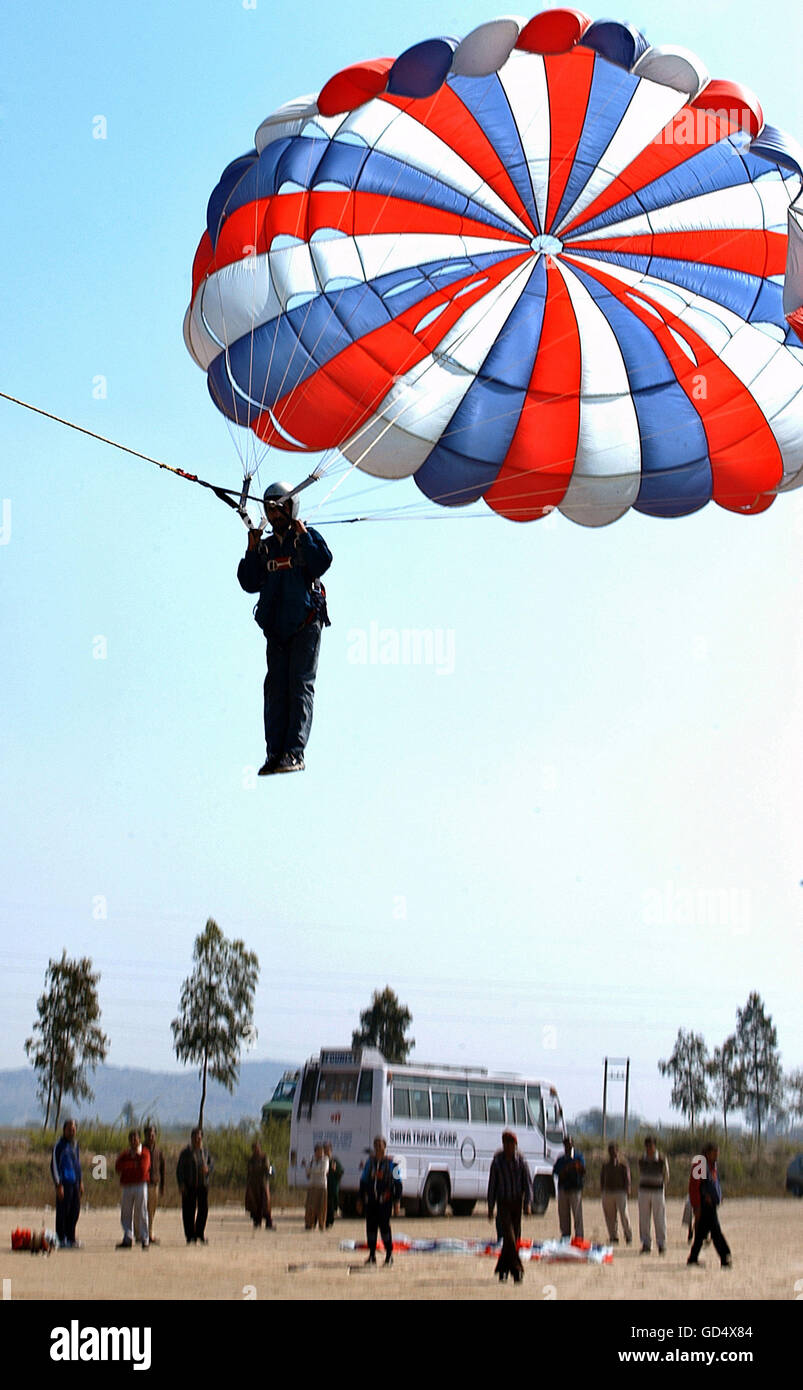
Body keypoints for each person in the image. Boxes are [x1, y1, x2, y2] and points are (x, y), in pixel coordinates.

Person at [237, 482, 332, 775]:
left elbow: (321, 563)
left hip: (305, 623)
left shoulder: (307, 536)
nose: (275, 514)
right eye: (270, 509)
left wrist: (303, 536)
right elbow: (249, 583)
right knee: (275, 690)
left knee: (299, 685)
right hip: (276, 629)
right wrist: (252, 548)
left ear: (292, 509)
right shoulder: (264, 547)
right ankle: (275, 753)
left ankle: (294, 752)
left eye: (280, 508)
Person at [487, 1130, 533, 1283]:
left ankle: (503, 1270)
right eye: (505, 1143)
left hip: (516, 1204)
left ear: (515, 1145)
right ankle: (517, 1269)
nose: (508, 1147)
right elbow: (492, 1185)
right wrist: (490, 1206)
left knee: (513, 1238)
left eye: (511, 1144)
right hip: (503, 1204)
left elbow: (527, 1184)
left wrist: (527, 1204)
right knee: (509, 1236)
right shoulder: (497, 1162)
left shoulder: (521, 1162)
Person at [358, 1135, 402, 1266]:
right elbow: (363, 1181)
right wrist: (360, 1199)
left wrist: (397, 1202)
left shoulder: (392, 1164)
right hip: (371, 1201)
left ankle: (389, 1255)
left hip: (385, 1202)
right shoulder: (369, 1163)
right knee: (370, 1228)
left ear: (385, 1147)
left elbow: (398, 1184)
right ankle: (372, 1256)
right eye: (375, 1145)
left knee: (384, 1229)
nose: (377, 1147)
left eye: (380, 1145)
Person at [687, 1143, 732, 1268]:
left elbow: (713, 1184)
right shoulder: (700, 1164)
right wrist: (696, 1206)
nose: (717, 1155)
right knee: (716, 1231)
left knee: (701, 1233)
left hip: (711, 1205)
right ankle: (725, 1257)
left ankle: (693, 1258)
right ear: (707, 1153)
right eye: (714, 1152)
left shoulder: (712, 1165)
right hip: (704, 1206)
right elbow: (694, 1187)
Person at [176, 1126, 214, 1244]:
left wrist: (208, 1169)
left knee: (203, 1210)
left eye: (199, 1137)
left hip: (203, 1185)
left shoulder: (206, 1152)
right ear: (191, 1138)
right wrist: (181, 1184)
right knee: (188, 1211)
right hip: (189, 1185)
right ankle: (190, 1235)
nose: (197, 1139)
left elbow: (211, 1164)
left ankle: (199, 1233)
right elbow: (179, 1170)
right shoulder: (186, 1152)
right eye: (195, 1137)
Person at [115, 1129, 150, 1250]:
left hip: (140, 1185)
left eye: (135, 1138)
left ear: (139, 1139)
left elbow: (143, 1169)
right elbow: (118, 1167)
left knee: (142, 1212)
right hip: (127, 1186)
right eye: (131, 1138)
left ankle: (145, 1238)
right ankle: (128, 1237)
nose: (133, 1141)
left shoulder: (144, 1153)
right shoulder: (125, 1154)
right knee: (126, 1212)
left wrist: (128, 1167)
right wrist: (132, 1165)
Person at [51, 1118, 83, 1249]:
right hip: (64, 1184)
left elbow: (77, 1165)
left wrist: (80, 1182)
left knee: (75, 1211)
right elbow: (53, 1166)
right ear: (64, 1130)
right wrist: (58, 1185)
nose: (72, 1131)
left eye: (73, 1129)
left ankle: (71, 1238)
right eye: (69, 1129)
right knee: (63, 1212)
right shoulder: (59, 1146)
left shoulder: (75, 1145)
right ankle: (61, 1238)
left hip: (75, 1184)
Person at [638, 1135, 669, 1254]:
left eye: (651, 1145)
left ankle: (661, 1244)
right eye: (647, 1145)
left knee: (659, 1218)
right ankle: (646, 1243)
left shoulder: (661, 1159)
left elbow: (666, 1175)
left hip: (657, 1191)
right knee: (644, 1218)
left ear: (655, 1146)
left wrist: (661, 1185)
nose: (649, 1148)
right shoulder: (641, 1159)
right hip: (644, 1191)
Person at [552, 1135, 585, 1239]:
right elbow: (556, 1172)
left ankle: (579, 1236)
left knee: (577, 1214)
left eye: (569, 1144)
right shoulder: (561, 1159)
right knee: (563, 1214)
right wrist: (566, 1169)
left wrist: (576, 1167)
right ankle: (565, 1235)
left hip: (575, 1189)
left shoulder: (578, 1157)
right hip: (563, 1189)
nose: (568, 1146)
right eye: (566, 1144)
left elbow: (583, 1170)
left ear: (572, 1144)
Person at [600, 1142, 632, 1245]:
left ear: (617, 1151)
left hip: (620, 1192)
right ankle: (613, 1237)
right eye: (610, 1150)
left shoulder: (623, 1164)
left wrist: (627, 1189)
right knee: (610, 1217)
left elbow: (627, 1178)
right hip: (607, 1192)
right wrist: (602, 1190)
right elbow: (602, 1178)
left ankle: (628, 1236)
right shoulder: (605, 1165)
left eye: (614, 1150)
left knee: (624, 1215)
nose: (612, 1152)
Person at [143, 1123, 165, 1245]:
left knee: (152, 1210)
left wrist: (162, 1186)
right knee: (142, 1210)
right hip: (143, 1184)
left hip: (155, 1185)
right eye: (148, 1134)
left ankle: (149, 1233)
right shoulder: (141, 1149)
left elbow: (163, 1169)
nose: (151, 1136)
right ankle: (141, 1233)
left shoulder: (158, 1151)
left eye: (153, 1134)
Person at [245, 1139, 274, 1229]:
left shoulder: (264, 1157)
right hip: (253, 1185)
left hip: (263, 1183)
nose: (256, 1149)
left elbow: (269, 1168)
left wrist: (270, 1172)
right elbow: (249, 1172)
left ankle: (269, 1223)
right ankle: (257, 1222)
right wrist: (248, 1185)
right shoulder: (251, 1159)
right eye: (254, 1148)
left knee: (265, 1204)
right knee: (254, 1204)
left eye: (257, 1147)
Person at [303, 1142, 329, 1230]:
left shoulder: (325, 1160)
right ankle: (309, 1223)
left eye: (321, 1151)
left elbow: (323, 1170)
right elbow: (307, 1170)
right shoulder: (312, 1160)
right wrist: (311, 1169)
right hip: (312, 1186)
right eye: (318, 1151)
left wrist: (311, 1170)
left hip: (322, 1186)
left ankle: (322, 1224)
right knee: (310, 1206)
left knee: (322, 1207)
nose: (320, 1153)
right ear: (315, 1151)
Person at [324, 1142, 344, 1228]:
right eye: (325, 1150)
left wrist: (335, 1170)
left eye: (327, 1150)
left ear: (330, 1150)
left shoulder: (334, 1161)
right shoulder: (322, 1160)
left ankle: (330, 1221)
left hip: (332, 1186)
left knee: (331, 1205)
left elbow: (340, 1171)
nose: (326, 1151)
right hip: (323, 1186)